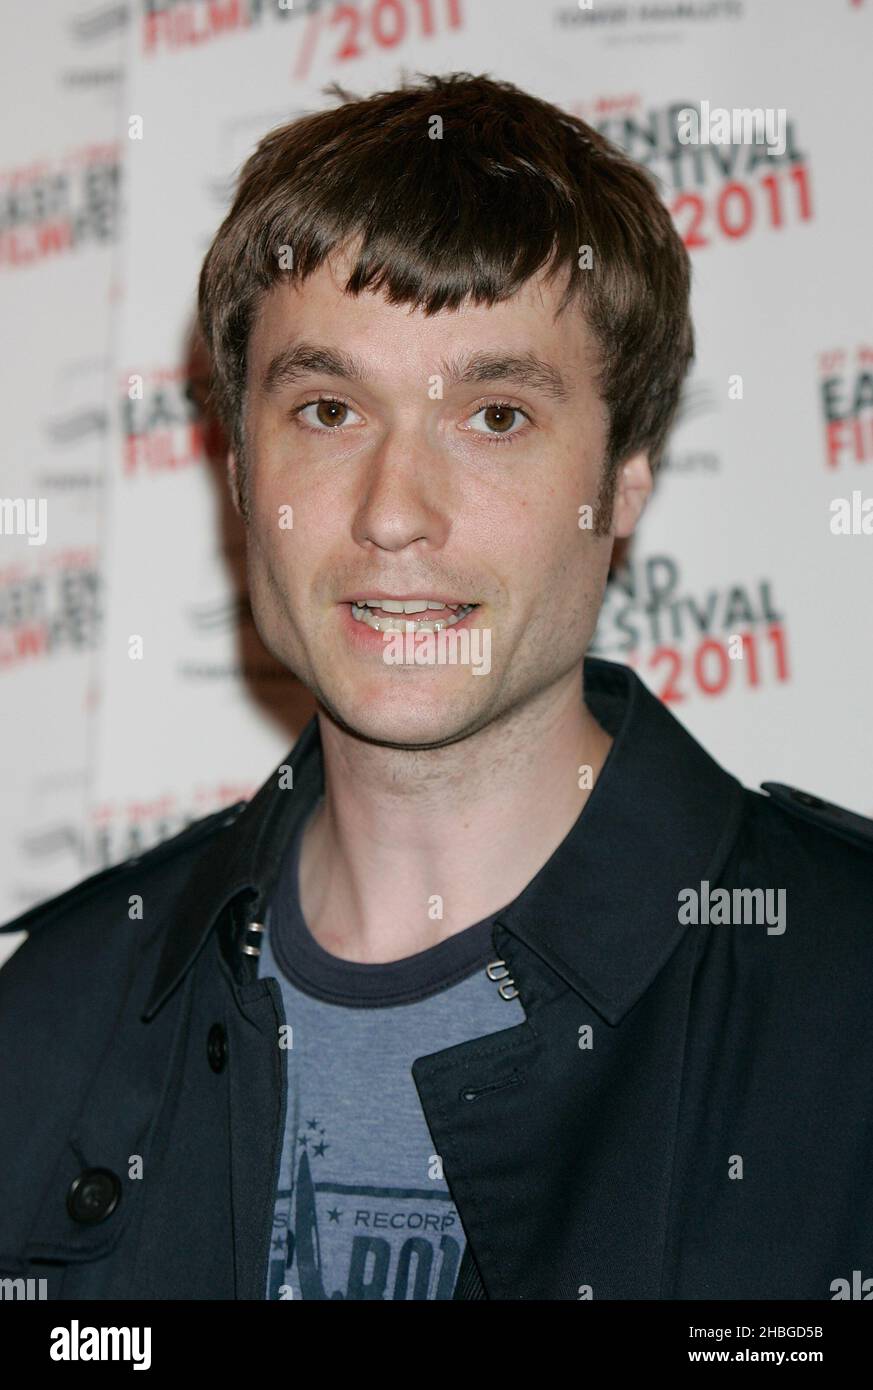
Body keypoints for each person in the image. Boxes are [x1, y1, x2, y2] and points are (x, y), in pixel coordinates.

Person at [1, 73, 871, 1302]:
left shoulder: (844, 991)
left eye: (496, 415)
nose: (394, 513)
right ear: (240, 466)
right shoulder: (52, 1016)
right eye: (327, 407)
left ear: (627, 476)